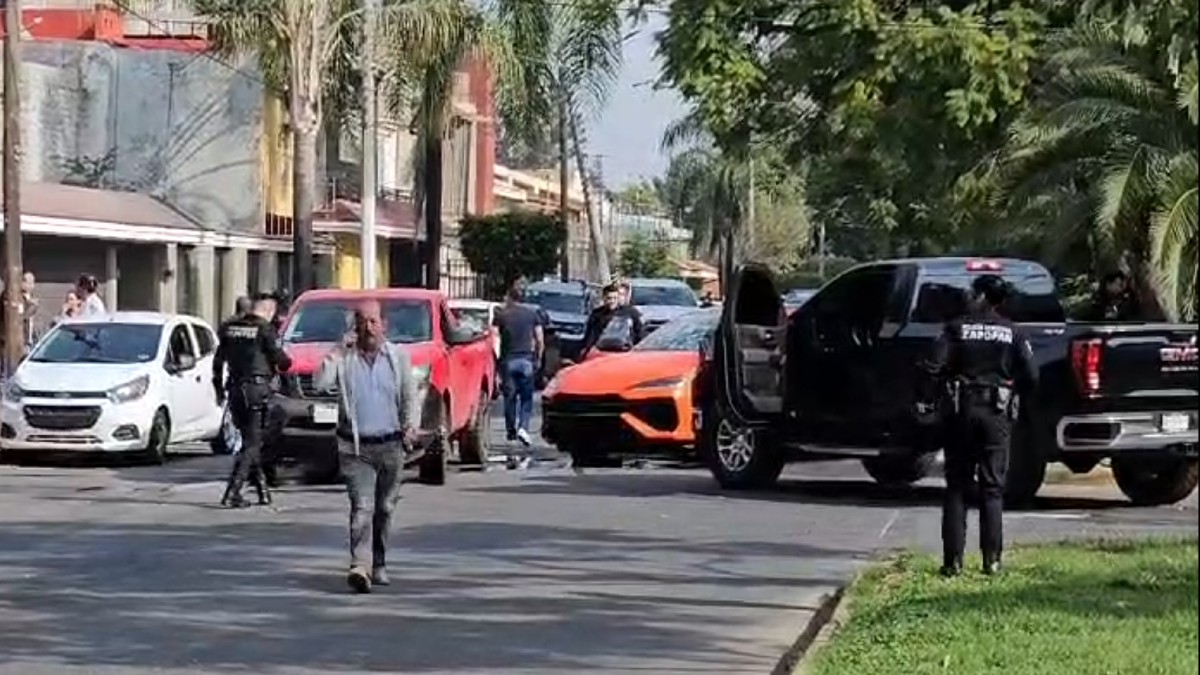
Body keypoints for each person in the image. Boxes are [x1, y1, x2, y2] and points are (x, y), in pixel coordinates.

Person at [923, 274, 1038, 578]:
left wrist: (932, 396)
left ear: (983, 296)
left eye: (973, 292)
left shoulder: (956, 327)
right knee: (992, 488)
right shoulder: (1013, 332)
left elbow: (932, 366)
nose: (968, 296)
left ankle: (953, 563)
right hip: (996, 413)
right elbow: (1031, 375)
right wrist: (1014, 394)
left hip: (960, 411)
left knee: (957, 487)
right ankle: (992, 562)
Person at [313, 299, 422, 594]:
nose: (368, 327)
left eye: (373, 321)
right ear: (355, 325)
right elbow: (320, 382)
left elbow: (409, 396)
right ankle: (359, 565)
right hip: (355, 448)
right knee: (362, 507)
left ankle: (379, 562)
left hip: (391, 445)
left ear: (384, 325)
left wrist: (410, 426)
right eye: (362, 321)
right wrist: (338, 350)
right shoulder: (345, 358)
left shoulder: (397, 358)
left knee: (384, 508)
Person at [213, 296, 292, 508]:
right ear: (269, 311)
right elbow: (282, 361)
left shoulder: (229, 328)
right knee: (253, 444)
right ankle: (233, 491)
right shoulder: (264, 329)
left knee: (249, 440)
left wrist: (218, 389)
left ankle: (263, 491)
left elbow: (218, 361)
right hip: (256, 390)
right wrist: (286, 362)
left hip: (235, 390)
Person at [492, 284, 544, 448]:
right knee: (527, 398)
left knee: (510, 397)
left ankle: (511, 430)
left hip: (508, 360)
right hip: (526, 360)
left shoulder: (502, 315)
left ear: (509, 297)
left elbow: (494, 337)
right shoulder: (532, 314)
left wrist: (496, 360)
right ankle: (523, 427)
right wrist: (538, 358)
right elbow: (539, 339)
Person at [580, 282, 644, 355]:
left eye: (615, 298)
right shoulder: (597, 314)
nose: (612, 301)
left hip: (625, 352)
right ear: (604, 298)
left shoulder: (630, 312)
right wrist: (585, 350)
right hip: (601, 352)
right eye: (609, 298)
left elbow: (639, 333)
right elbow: (590, 336)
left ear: (618, 298)